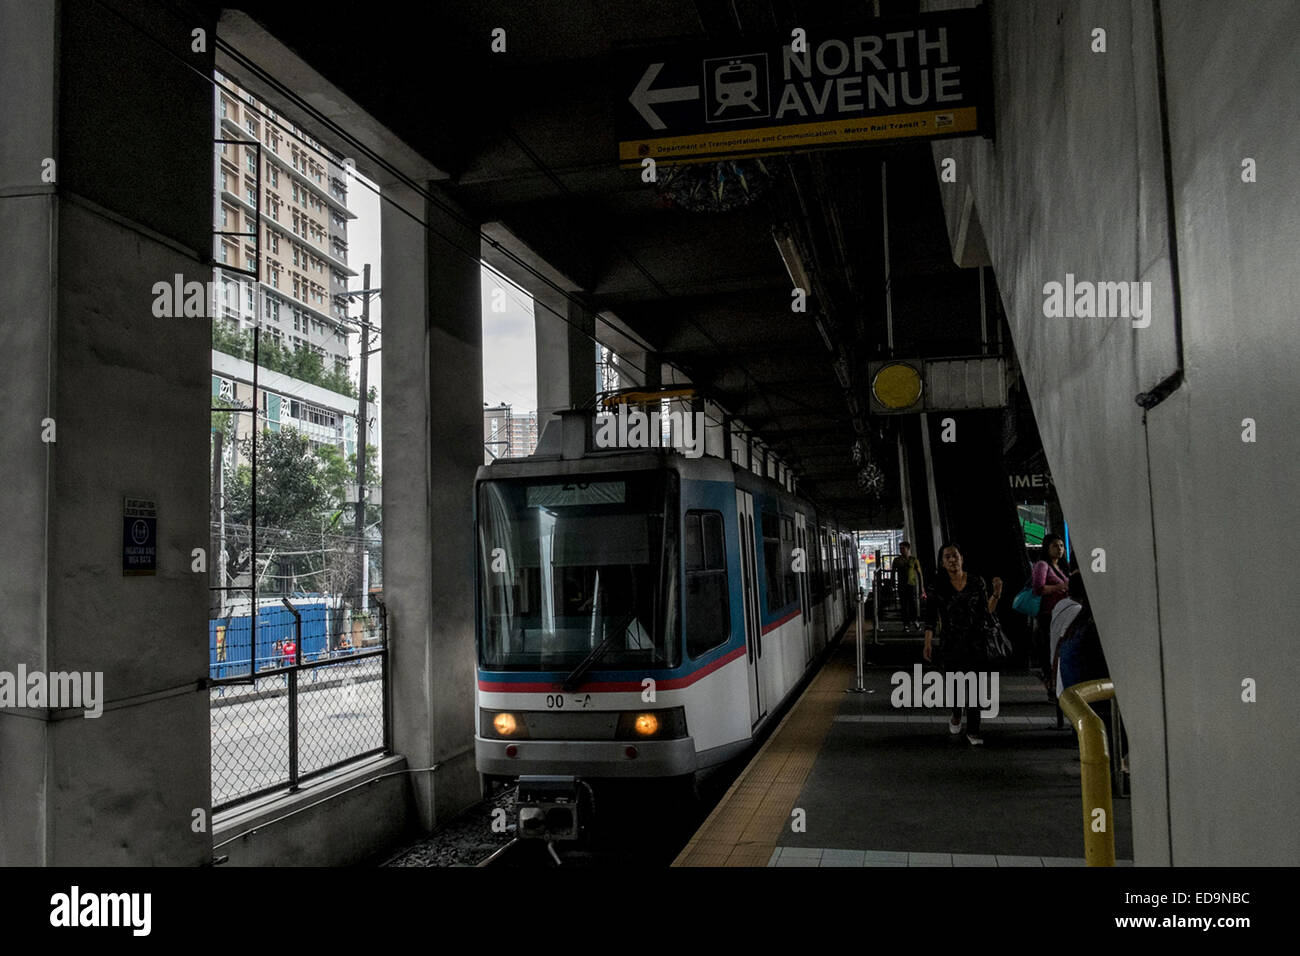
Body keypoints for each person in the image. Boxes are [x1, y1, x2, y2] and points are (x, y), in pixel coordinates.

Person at [922, 542, 1003, 746]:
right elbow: (931, 617)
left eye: (955, 556)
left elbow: (987, 612)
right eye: (947, 557)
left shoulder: (977, 582)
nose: (952, 560)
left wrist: (996, 594)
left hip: (976, 642)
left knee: (975, 687)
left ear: (962, 558)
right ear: (942, 562)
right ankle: (956, 713)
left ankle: (973, 731)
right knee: (955, 687)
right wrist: (928, 642)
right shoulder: (937, 586)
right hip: (950, 643)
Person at [1032, 534, 1070, 672]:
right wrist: (1060, 587)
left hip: (1061, 614)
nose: (1059, 549)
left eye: (1061, 546)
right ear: (1047, 548)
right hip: (1048, 615)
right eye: (1055, 545)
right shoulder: (1042, 565)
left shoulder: (1061, 567)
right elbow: (1038, 588)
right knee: (1049, 648)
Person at [891, 541, 925, 631]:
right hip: (901, 586)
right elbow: (893, 572)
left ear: (908, 549)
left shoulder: (914, 560)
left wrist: (922, 588)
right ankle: (906, 624)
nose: (901, 550)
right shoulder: (897, 560)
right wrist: (892, 583)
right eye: (900, 548)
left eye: (903, 548)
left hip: (911, 585)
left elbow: (920, 574)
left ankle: (914, 621)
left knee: (912, 604)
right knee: (903, 605)